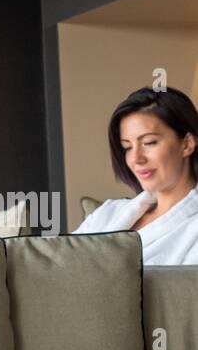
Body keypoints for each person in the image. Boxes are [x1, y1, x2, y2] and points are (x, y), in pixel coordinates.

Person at [72, 86, 198, 264]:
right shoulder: (108, 212)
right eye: (127, 147)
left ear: (187, 144)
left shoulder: (193, 228)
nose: (136, 158)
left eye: (149, 142)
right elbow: (56, 265)